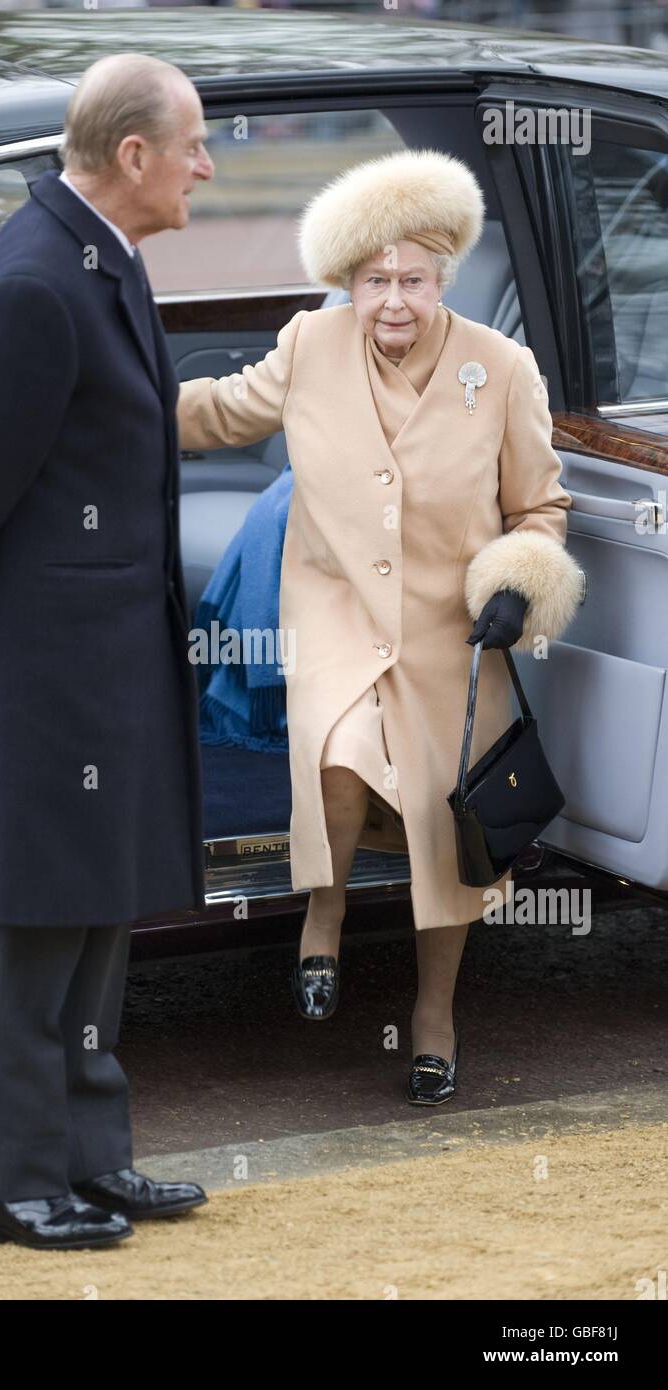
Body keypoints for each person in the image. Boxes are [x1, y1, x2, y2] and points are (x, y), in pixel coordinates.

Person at [0, 53, 215, 1249]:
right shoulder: (35, 282)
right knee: (35, 925)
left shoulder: (94, 255)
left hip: (104, 651)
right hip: (44, 663)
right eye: (193, 144)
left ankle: (90, 1158)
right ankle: (14, 1185)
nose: (206, 165)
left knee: (97, 909)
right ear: (132, 156)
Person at [176, 148, 584, 1105]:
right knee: (338, 756)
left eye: (411, 279)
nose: (392, 300)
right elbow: (223, 410)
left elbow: (540, 508)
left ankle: (434, 1015)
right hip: (335, 610)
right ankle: (321, 914)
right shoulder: (310, 347)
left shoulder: (501, 365)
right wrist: (104, 393)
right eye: (371, 281)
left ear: (442, 276)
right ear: (345, 282)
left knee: (449, 836)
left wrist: (519, 585)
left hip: (450, 631)